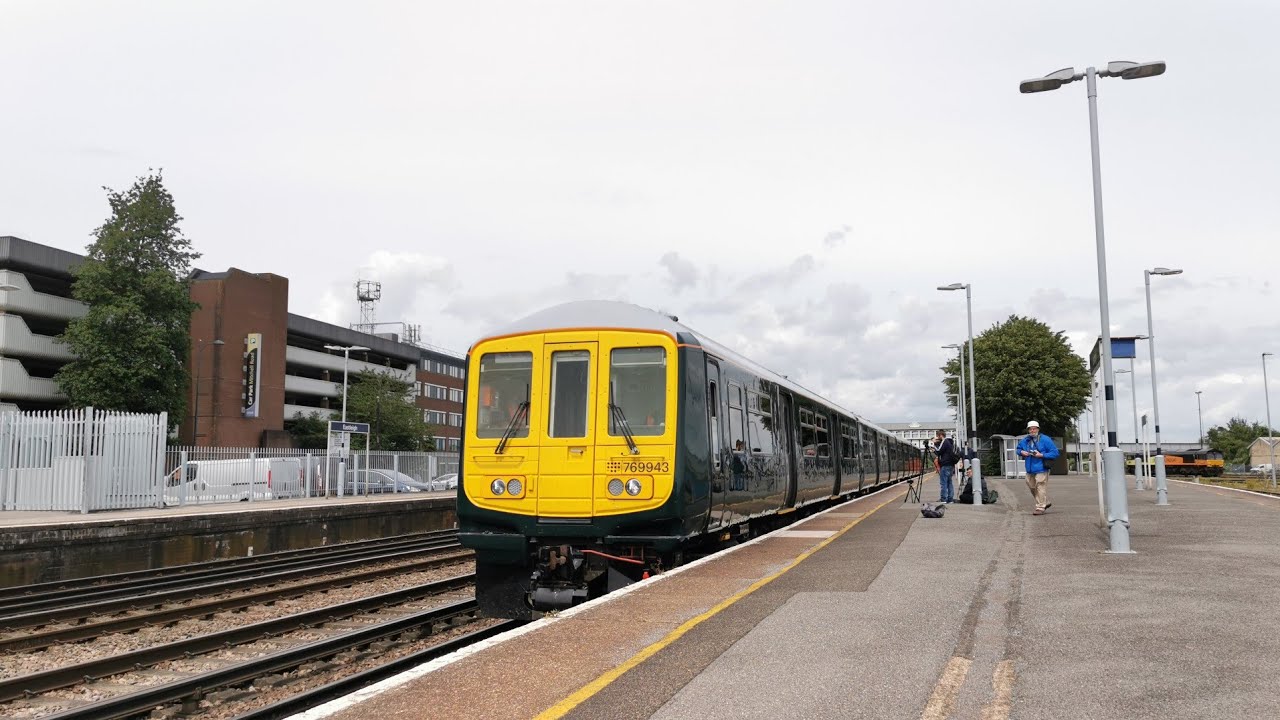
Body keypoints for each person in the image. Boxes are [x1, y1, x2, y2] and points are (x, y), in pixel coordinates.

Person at [1017, 420, 1060, 515]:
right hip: (1029, 468)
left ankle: (1040, 507)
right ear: (1028, 430)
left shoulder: (1045, 439)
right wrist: (1021, 452)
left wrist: (1041, 455)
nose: (1032, 430)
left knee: (1040, 486)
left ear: (1038, 429)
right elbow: (1018, 449)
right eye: (1030, 429)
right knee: (1032, 486)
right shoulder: (1025, 440)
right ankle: (1045, 502)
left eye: (1034, 428)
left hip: (1042, 467)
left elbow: (1055, 453)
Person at [931, 429, 958, 503]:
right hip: (950, 465)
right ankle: (950, 499)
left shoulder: (944, 441)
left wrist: (934, 444)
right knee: (949, 482)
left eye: (937, 436)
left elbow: (939, 451)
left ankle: (944, 499)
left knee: (943, 483)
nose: (937, 438)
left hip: (945, 465)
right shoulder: (949, 442)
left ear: (940, 435)